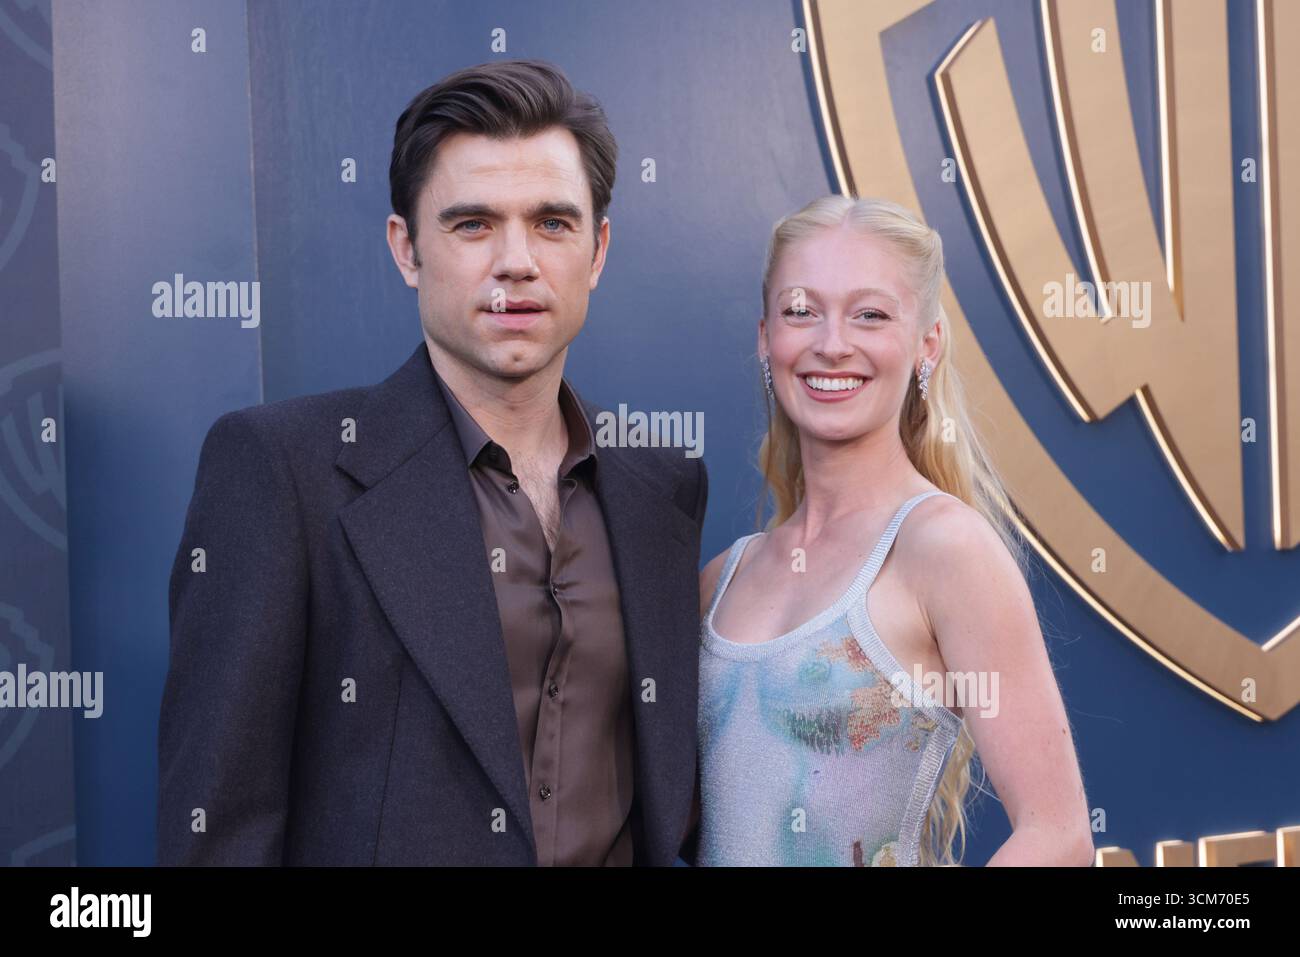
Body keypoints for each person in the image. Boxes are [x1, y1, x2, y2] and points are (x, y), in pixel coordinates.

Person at [157, 59, 707, 866]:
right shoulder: (284, 471)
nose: (516, 261)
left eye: (553, 223)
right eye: (473, 224)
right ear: (406, 249)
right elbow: (217, 828)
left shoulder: (661, 485)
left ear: (597, 252)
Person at [684, 195, 1091, 866]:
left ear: (926, 343)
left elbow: (1059, 834)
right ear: (766, 337)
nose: (832, 342)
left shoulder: (944, 549)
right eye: (801, 311)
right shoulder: (724, 576)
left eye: (869, 314)